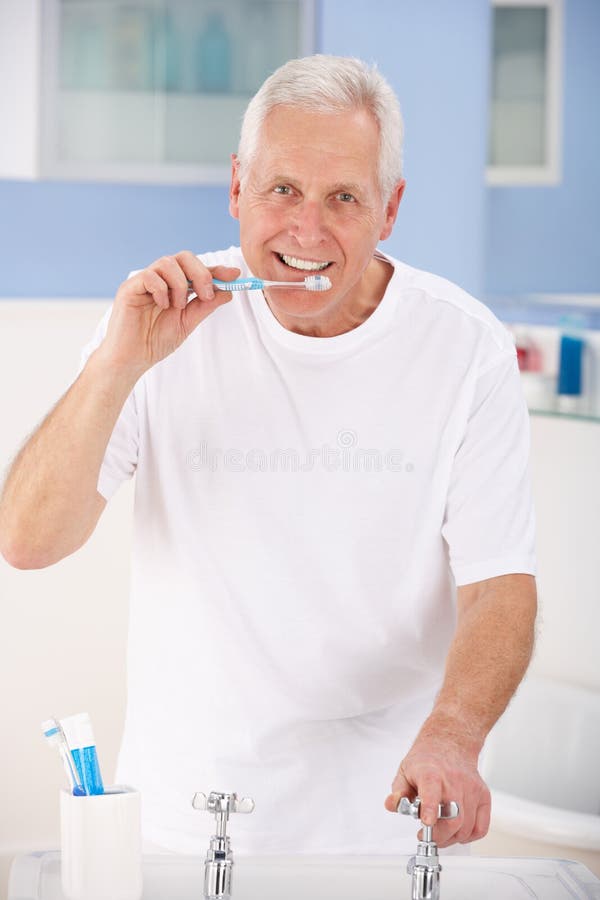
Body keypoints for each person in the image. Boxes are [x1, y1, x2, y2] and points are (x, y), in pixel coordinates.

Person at [0, 55, 537, 855]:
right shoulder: (161, 322)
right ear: (236, 187)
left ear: (390, 209)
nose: (306, 232)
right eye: (282, 189)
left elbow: (500, 586)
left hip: (381, 822)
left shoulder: (466, 350)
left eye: (344, 198)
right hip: (184, 814)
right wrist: (118, 366)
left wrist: (455, 735)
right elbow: (27, 540)